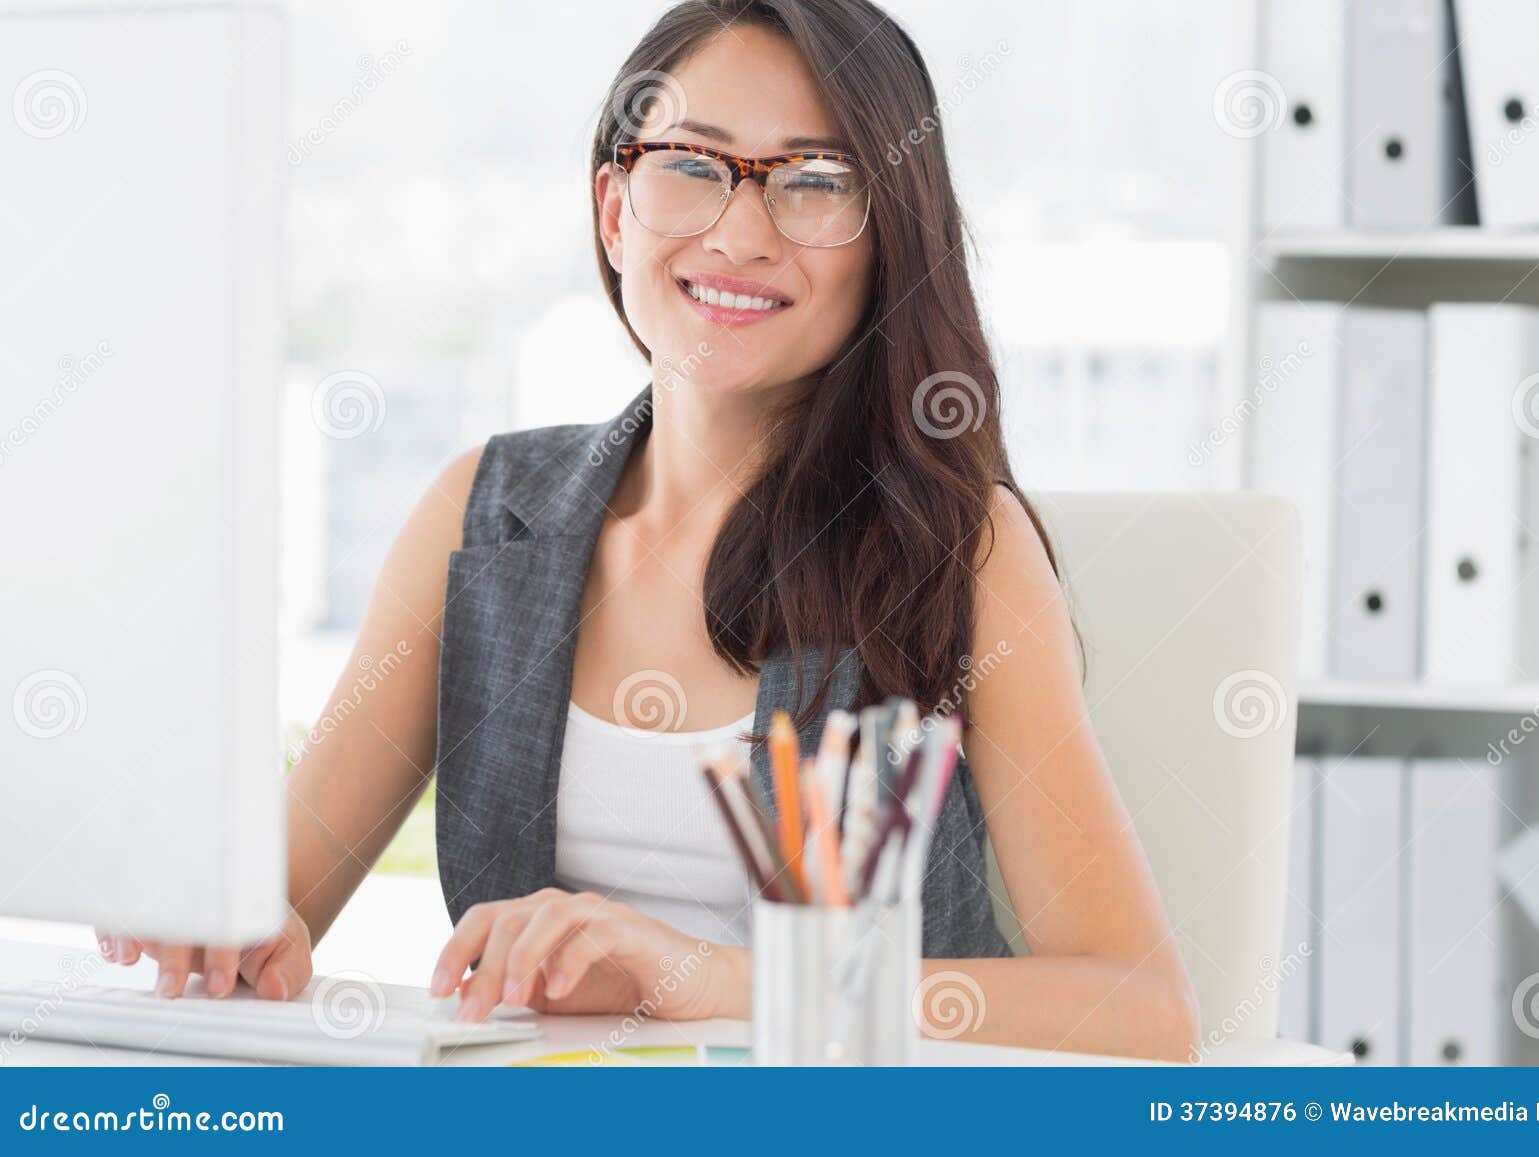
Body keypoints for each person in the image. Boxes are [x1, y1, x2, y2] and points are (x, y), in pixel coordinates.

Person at [101, 0, 1199, 1061]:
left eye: (816, 181)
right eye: (692, 164)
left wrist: (711, 978)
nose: (739, 232)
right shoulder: (484, 517)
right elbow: (271, 910)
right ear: (614, 210)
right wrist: (225, 931)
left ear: (885, 241)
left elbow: (1141, 1008)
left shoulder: (957, 547)